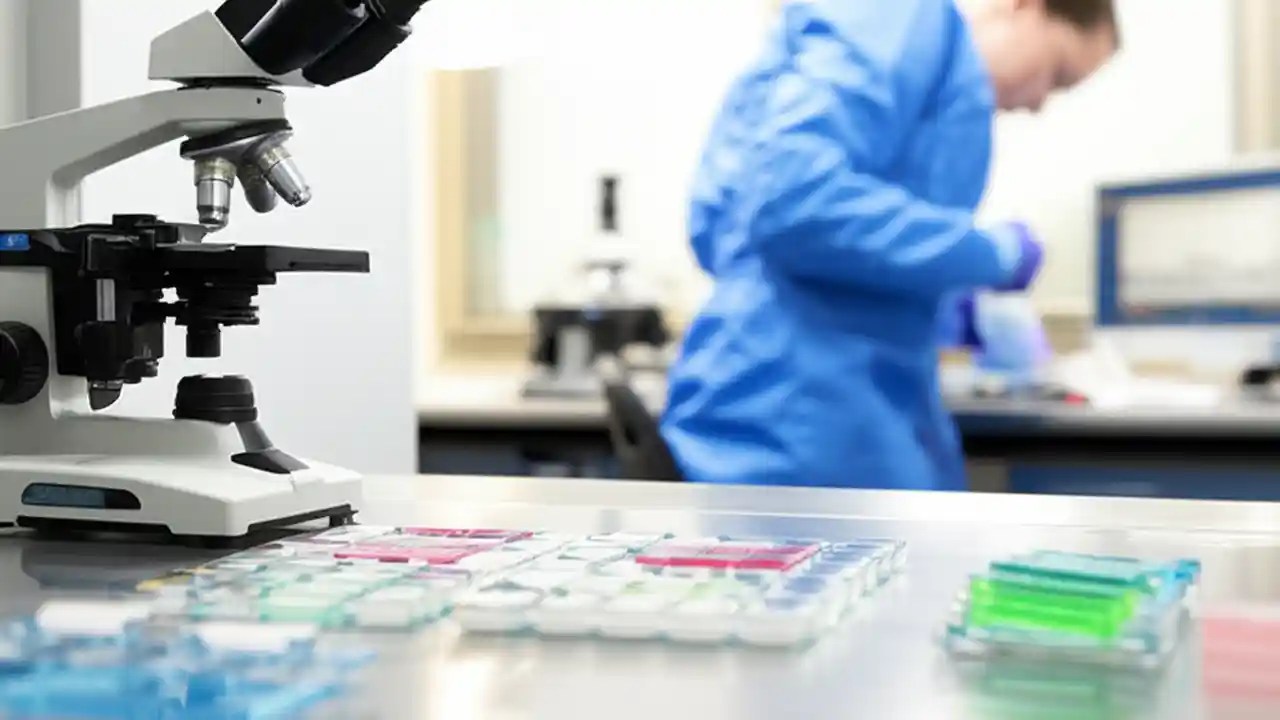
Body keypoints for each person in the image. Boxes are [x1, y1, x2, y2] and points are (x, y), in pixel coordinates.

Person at [661, 0, 1119, 490]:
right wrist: (991, 254)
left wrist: (940, 301)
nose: (1039, 102)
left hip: (819, 404)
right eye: (1058, 73)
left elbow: (734, 228)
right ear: (1023, 8)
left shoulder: (939, 77)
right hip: (800, 421)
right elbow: (792, 203)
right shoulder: (899, 16)